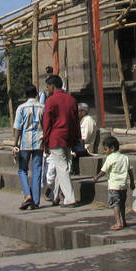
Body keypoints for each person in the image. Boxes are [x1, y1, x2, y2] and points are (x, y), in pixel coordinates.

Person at [41, 74, 80, 207]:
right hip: (68, 137)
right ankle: (55, 196)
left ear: (52, 86)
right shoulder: (71, 100)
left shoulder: (51, 101)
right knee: (62, 167)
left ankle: (69, 198)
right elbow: (76, 122)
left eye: (48, 87)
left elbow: (47, 123)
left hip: (56, 138)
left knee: (62, 168)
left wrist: (45, 141)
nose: (47, 90)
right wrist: (77, 138)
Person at [12, 84, 44, 210]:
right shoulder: (43, 107)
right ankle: (35, 201)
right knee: (37, 170)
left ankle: (27, 195)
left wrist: (15, 143)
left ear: (25, 95)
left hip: (25, 142)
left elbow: (18, 127)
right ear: (36, 94)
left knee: (22, 169)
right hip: (40, 142)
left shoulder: (21, 108)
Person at [94, 135, 135, 231]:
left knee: (115, 204)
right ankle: (123, 221)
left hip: (113, 186)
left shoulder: (110, 158)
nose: (105, 152)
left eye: (105, 149)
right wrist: (132, 182)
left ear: (112, 148)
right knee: (122, 204)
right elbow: (130, 171)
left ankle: (118, 222)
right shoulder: (125, 157)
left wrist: (97, 177)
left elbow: (103, 171)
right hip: (123, 186)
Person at [74, 101, 99, 171]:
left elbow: (85, 138)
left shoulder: (88, 120)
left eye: (77, 111)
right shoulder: (81, 120)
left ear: (83, 111)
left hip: (86, 147)